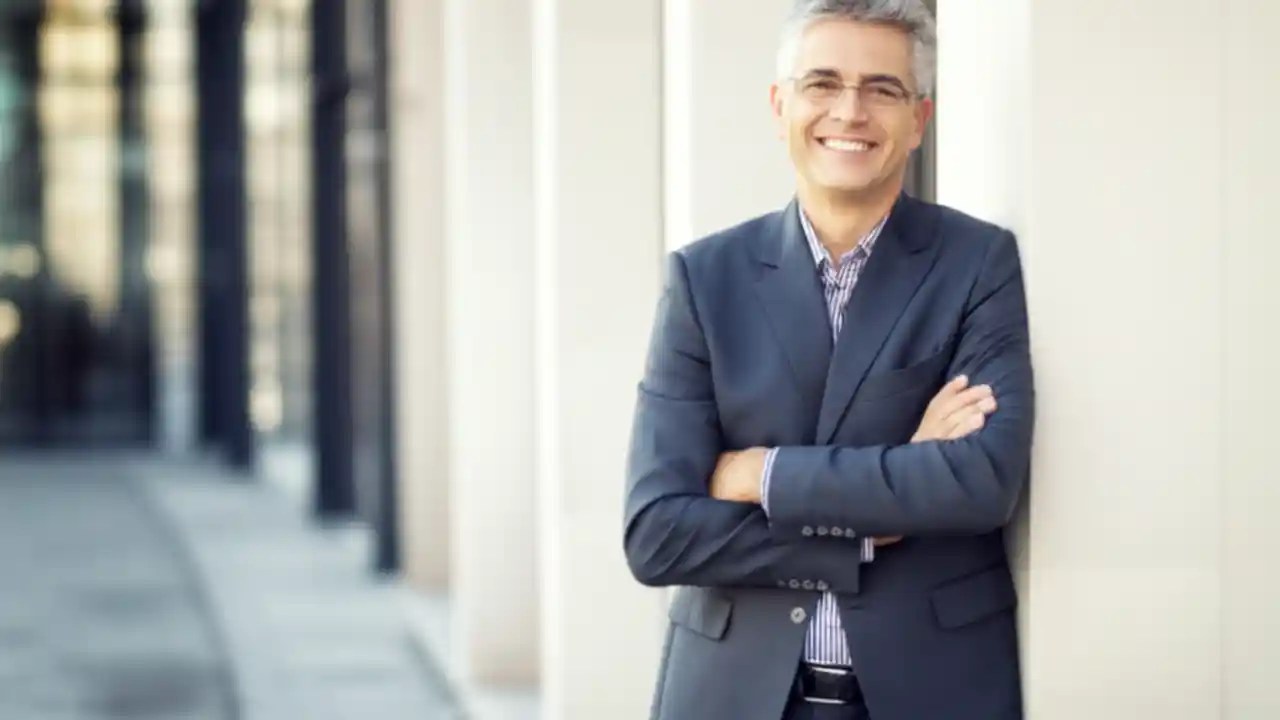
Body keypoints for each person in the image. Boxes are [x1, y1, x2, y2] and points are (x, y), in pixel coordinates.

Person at [623, 1, 1034, 718]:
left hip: (930, 690)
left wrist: (761, 474)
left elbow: (978, 482)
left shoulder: (978, 264)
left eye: (883, 88)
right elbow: (657, 533)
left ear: (920, 120)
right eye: (822, 83)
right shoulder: (704, 279)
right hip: (736, 694)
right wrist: (863, 527)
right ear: (780, 106)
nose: (850, 111)